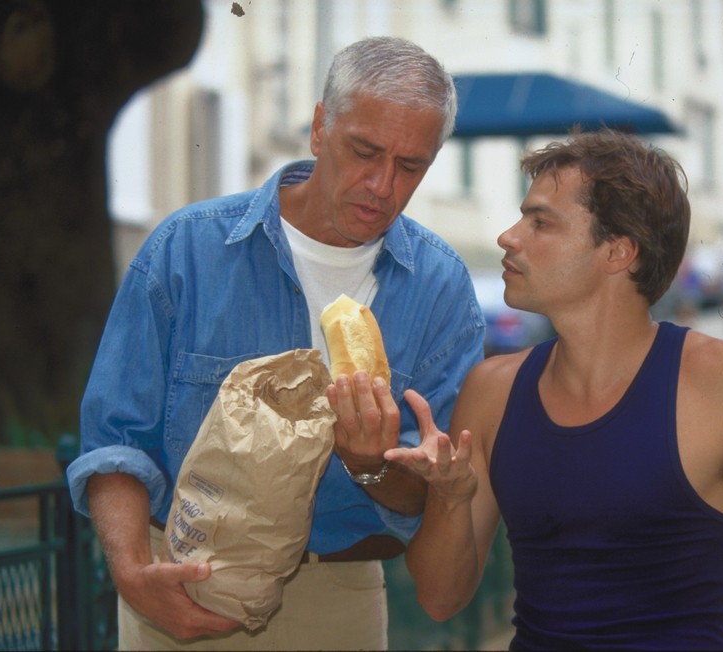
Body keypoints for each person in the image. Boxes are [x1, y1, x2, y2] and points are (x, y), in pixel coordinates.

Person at [65, 36, 485, 650]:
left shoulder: (442, 288)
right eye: (364, 151)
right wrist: (131, 572)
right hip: (184, 580)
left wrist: (370, 465)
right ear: (319, 128)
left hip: (340, 596)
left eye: (411, 166)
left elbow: (423, 498)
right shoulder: (188, 251)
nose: (382, 185)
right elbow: (115, 439)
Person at [383, 129, 723, 650]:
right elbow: (438, 598)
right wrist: (451, 499)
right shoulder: (493, 390)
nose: (509, 236)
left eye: (541, 222)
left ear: (618, 252)